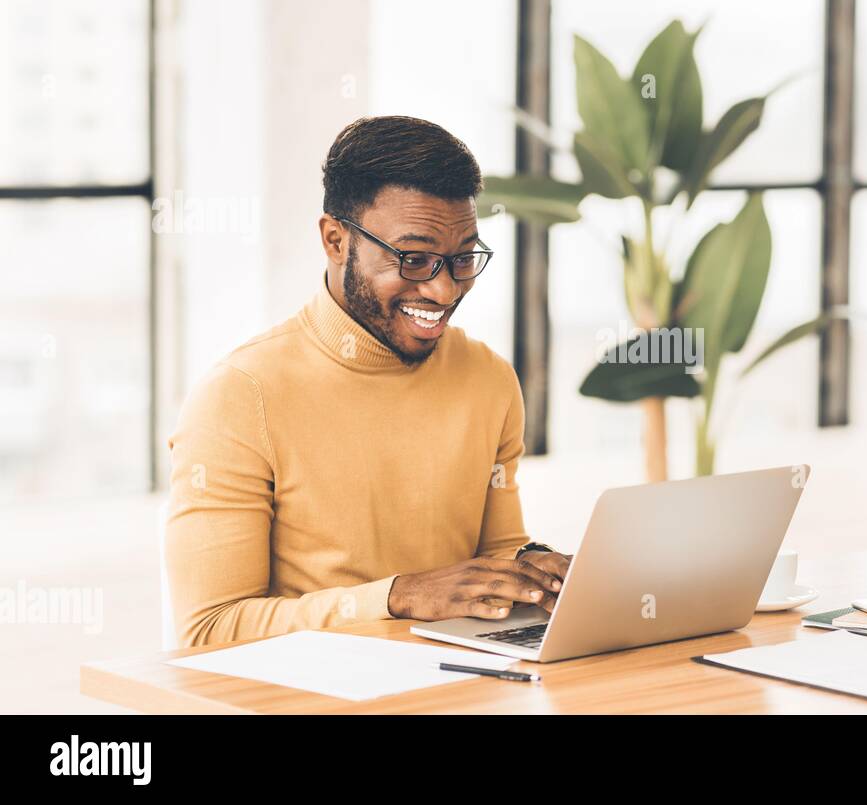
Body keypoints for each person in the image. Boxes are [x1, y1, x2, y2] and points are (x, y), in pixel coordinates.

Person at [165, 116, 569, 647]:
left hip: (460, 680)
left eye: (463, 259)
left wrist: (532, 571)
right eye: (414, 259)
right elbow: (208, 629)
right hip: (307, 688)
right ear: (335, 240)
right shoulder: (240, 396)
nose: (445, 290)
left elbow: (494, 557)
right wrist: (396, 597)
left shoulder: (487, 378)